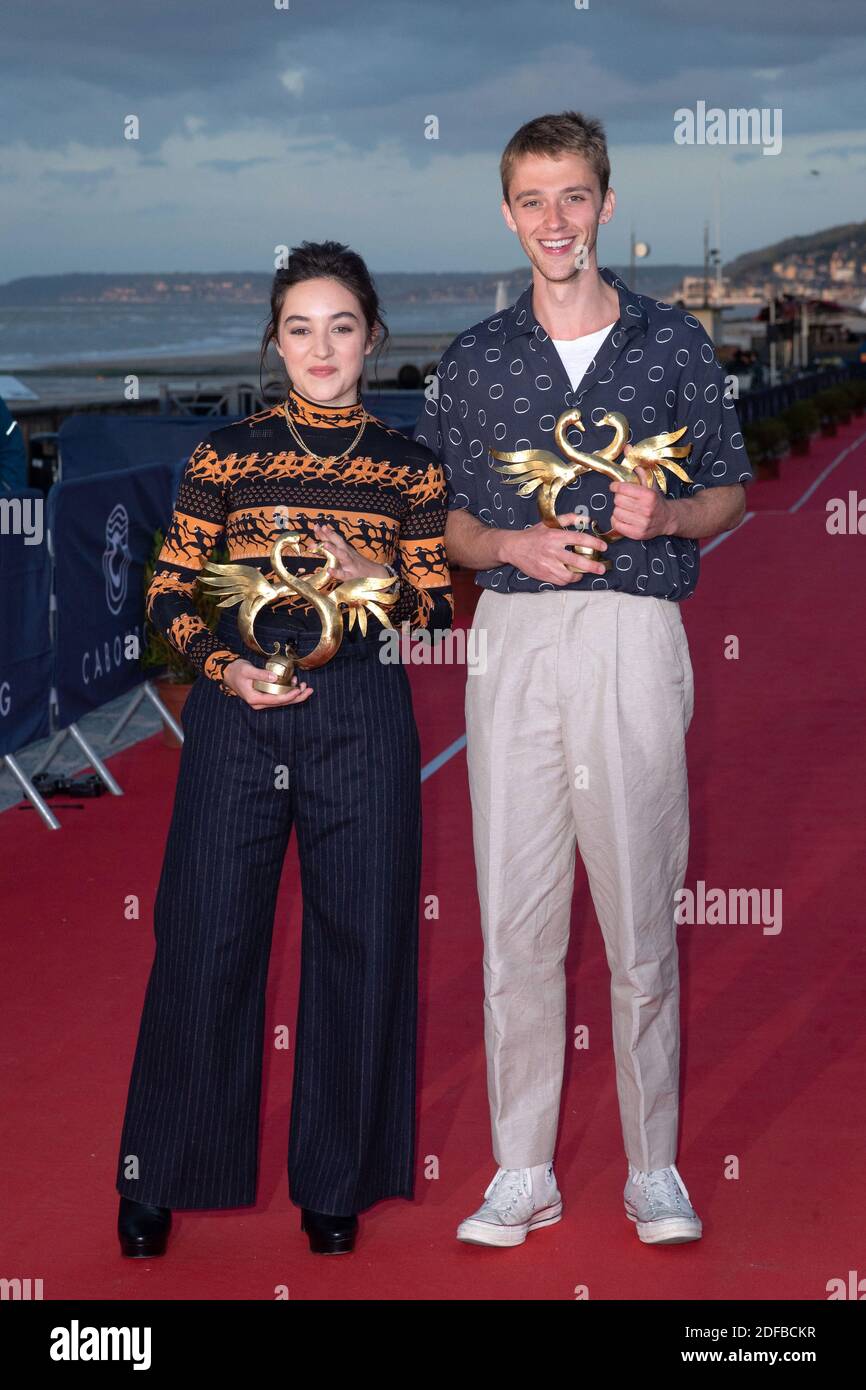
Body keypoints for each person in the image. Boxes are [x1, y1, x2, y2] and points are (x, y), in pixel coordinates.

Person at [413, 111, 754, 1248]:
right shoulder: (471, 358)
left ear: (604, 205)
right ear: (506, 214)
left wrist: (668, 510)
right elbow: (447, 523)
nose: (553, 221)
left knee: (640, 919)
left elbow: (730, 494)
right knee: (514, 925)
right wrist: (505, 546)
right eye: (530, 200)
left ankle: (651, 1164)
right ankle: (522, 1170)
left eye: (572, 197)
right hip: (513, 638)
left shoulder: (673, 345)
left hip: (632, 636)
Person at [116, 240, 453, 1257]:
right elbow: (171, 596)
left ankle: (336, 1181)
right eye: (299, 327)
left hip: (360, 712)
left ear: (372, 338)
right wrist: (227, 674)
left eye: (340, 326)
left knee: (364, 936)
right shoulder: (222, 456)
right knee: (206, 935)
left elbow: (434, 605)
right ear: (274, 341)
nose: (321, 345)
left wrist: (371, 577)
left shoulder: (411, 469)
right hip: (235, 713)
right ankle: (160, 1173)